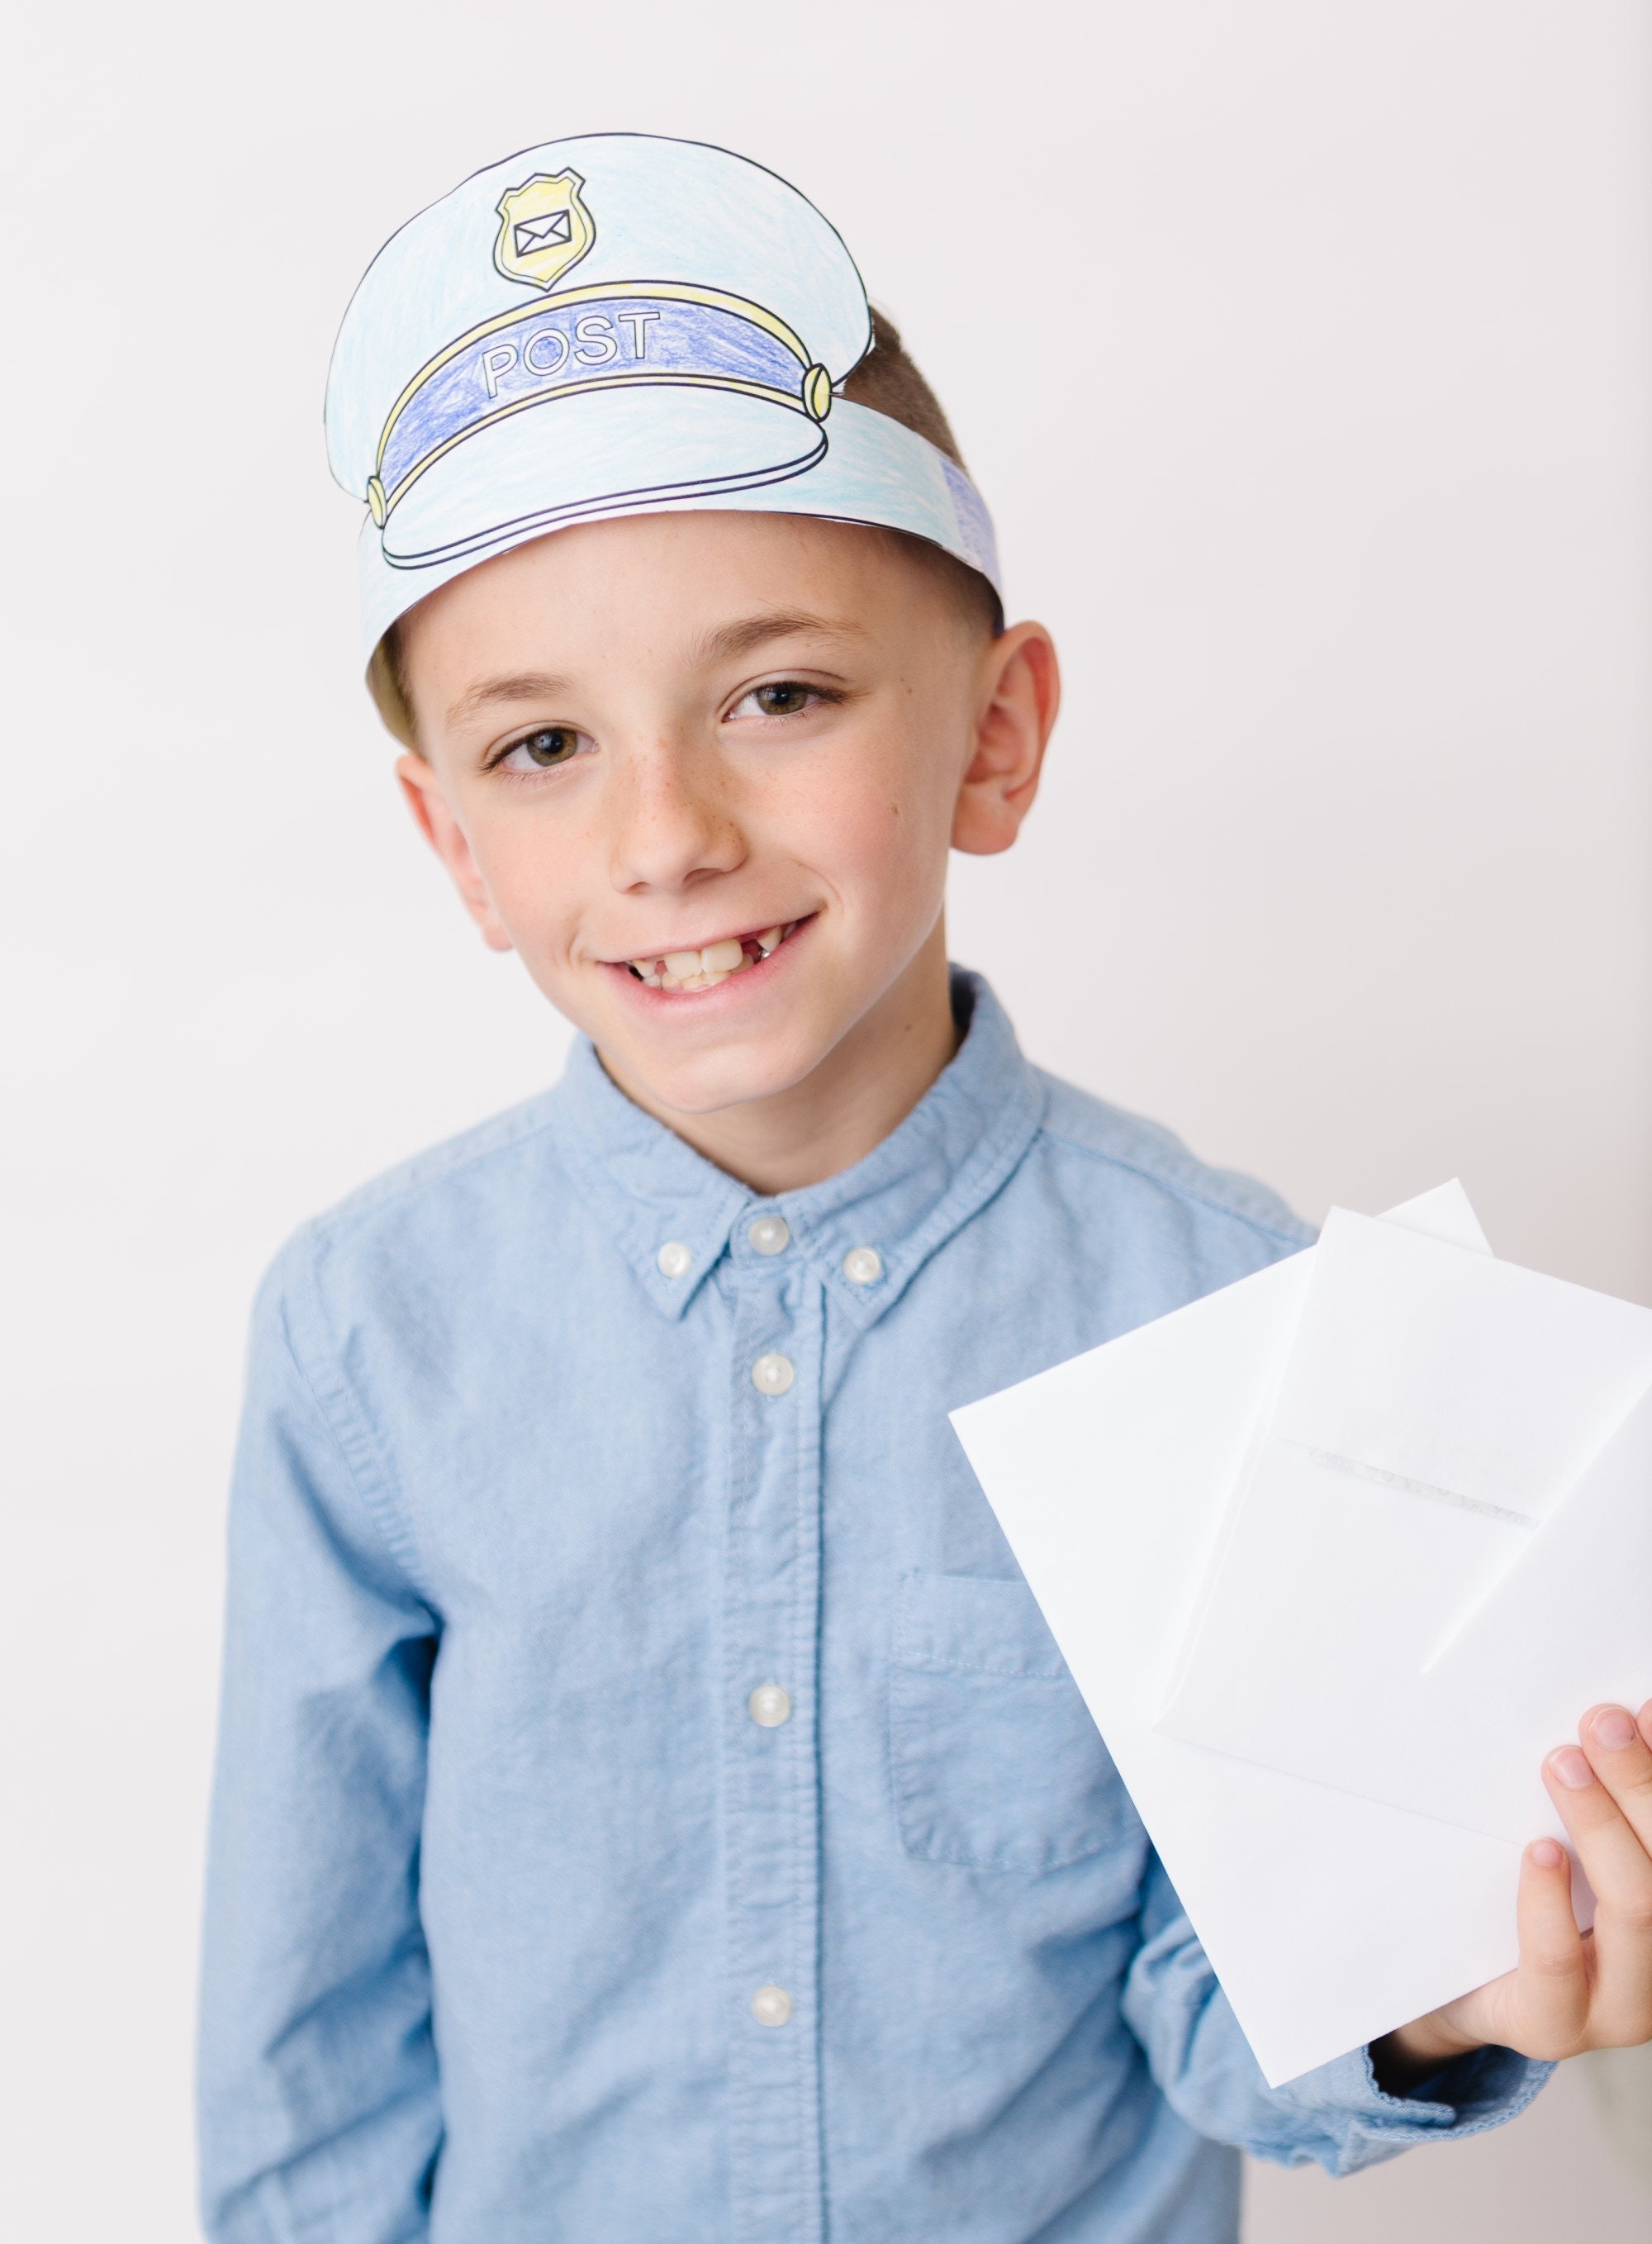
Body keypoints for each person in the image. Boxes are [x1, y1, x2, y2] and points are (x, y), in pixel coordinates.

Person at [197, 132, 1652, 2243]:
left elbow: (1217, 1998)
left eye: (775, 695)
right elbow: (306, 2040)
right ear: (450, 844)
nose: (666, 831)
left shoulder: (1230, 1314)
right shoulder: (368, 1331)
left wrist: (1438, 1994)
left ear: (995, 732)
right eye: (543, 747)